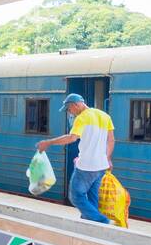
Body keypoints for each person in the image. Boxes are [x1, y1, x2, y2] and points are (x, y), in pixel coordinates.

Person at [35, 93, 115, 224]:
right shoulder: (105, 116)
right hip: (101, 166)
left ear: (75, 105)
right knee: (92, 197)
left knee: (76, 196)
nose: (70, 112)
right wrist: (107, 158)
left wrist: (48, 142)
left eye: (69, 109)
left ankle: (103, 221)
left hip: (86, 166)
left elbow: (71, 138)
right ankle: (91, 224)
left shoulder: (82, 118)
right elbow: (111, 140)